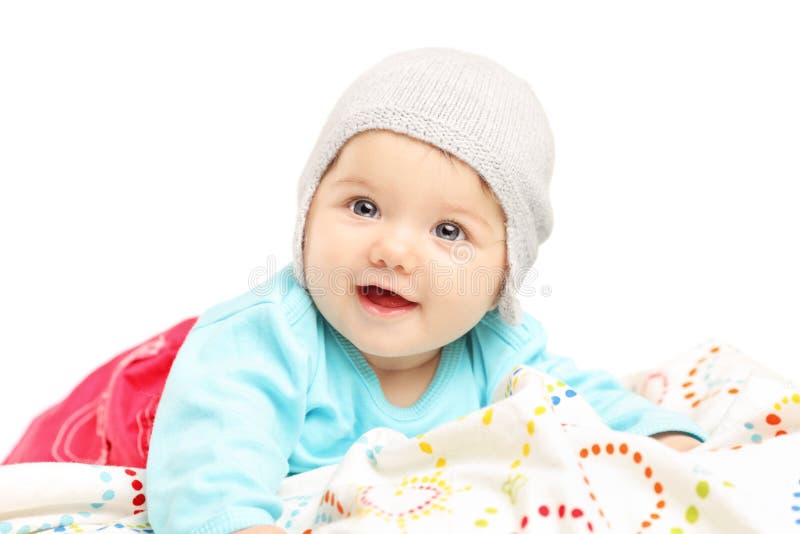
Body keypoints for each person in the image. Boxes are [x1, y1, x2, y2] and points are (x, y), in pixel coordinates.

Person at [144, 47, 708, 534]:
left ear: (502, 279)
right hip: (162, 400)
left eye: (448, 231)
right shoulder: (264, 340)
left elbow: (587, 403)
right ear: (309, 212)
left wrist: (669, 444)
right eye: (363, 207)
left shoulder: (498, 351)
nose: (393, 251)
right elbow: (209, 470)